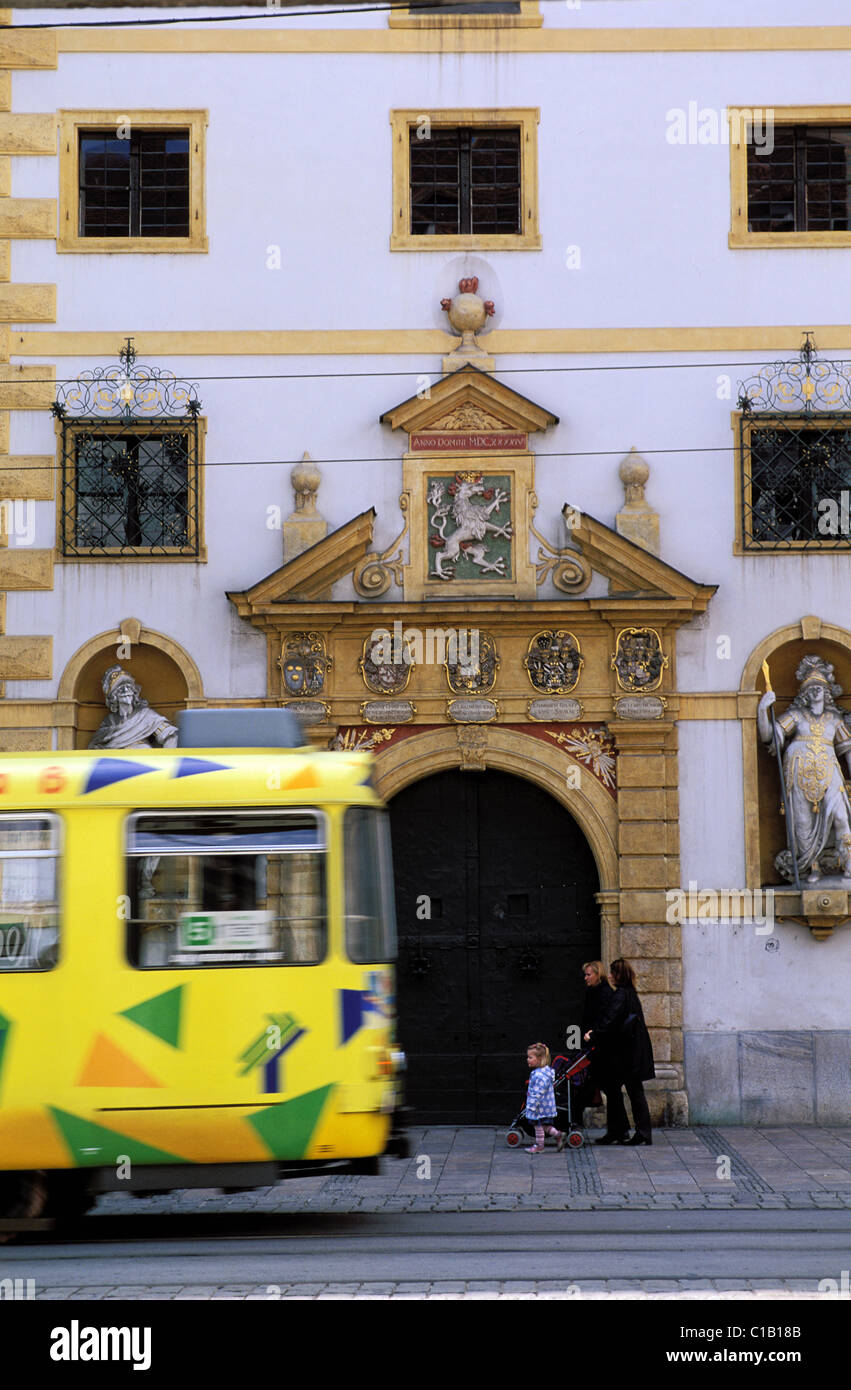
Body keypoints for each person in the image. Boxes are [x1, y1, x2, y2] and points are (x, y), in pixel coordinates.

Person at [589, 958, 655, 1146]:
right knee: (621, 1089)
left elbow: (610, 1020)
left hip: (626, 1054)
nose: (608, 976)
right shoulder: (630, 993)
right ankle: (622, 1130)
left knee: (627, 1090)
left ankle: (635, 1131)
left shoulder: (621, 995)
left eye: (611, 972)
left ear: (618, 975)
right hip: (630, 1052)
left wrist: (593, 1034)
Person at [580, 960, 622, 1144]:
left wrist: (593, 1034)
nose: (586, 978)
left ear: (598, 974)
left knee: (611, 1090)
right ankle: (618, 1131)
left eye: (589, 974)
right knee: (611, 1091)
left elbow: (606, 1021)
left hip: (604, 1050)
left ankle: (617, 1131)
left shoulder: (604, 994)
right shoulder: (595, 992)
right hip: (599, 1048)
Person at [523, 1042, 565, 1154]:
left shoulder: (539, 1076)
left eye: (530, 1057)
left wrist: (531, 1106)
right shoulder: (546, 1073)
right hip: (546, 1106)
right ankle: (558, 1135)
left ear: (540, 1058)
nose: (527, 1059)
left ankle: (539, 1146)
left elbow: (537, 1094)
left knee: (537, 1126)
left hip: (539, 1107)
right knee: (545, 1126)